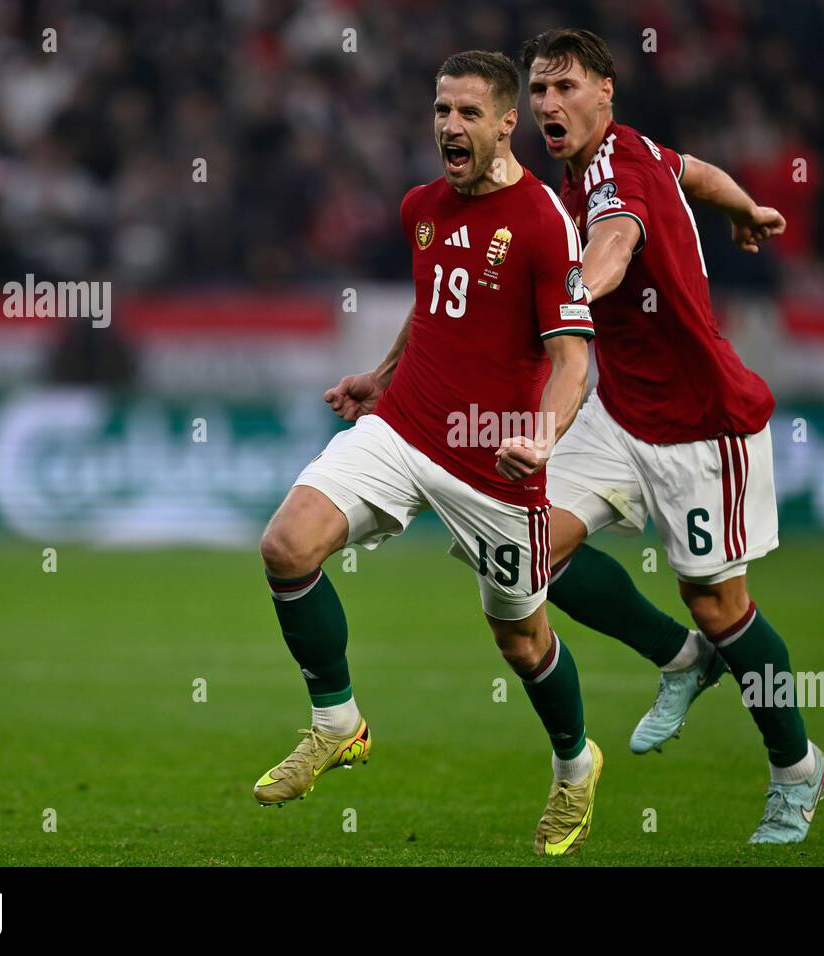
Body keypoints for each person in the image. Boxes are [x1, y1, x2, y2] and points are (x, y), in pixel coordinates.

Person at [254, 50, 604, 856]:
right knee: (286, 545)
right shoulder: (422, 207)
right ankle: (337, 722)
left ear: (507, 123)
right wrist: (379, 376)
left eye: (469, 113)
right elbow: (433, 307)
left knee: (521, 642)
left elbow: (573, 362)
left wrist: (541, 436)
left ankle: (573, 766)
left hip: (495, 461)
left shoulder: (546, 221)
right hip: (403, 428)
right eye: (442, 110)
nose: (450, 125)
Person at [522, 28, 824, 844]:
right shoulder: (628, 150)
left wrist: (571, 293)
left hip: (702, 426)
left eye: (566, 88)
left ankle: (798, 769)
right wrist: (744, 207)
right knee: (520, 551)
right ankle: (679, 659)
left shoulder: (614, 173)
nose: (549, 104)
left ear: (605, 91)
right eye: (539, 91)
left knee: (720, 601)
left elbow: (615, 243)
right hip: (620, 411)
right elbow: (692, 170)